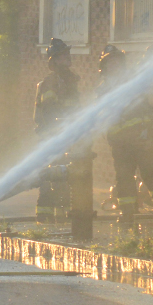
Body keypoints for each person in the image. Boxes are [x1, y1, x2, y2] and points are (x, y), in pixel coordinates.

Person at [97, 46, 153, 219]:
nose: (114, 65)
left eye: (117, 61)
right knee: (124, 177)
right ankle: (127, 212)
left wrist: (150, 57)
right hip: (121, 143)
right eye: (110, 62)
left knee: (152, 172)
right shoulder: (103, 90)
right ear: (105, 67)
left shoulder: (132, 80)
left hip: (143, 138)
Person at [33, 38, 96, 241]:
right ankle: (44, 216)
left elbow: (75, 108)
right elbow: (51, 111)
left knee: (65, 173)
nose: (67, 58)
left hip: (68, 134)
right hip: (54, 135)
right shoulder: (51, 82)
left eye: (67, 54)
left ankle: (62, 215)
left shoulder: (70, 80)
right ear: (54, 61)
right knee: (53, 173)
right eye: (63, 56)